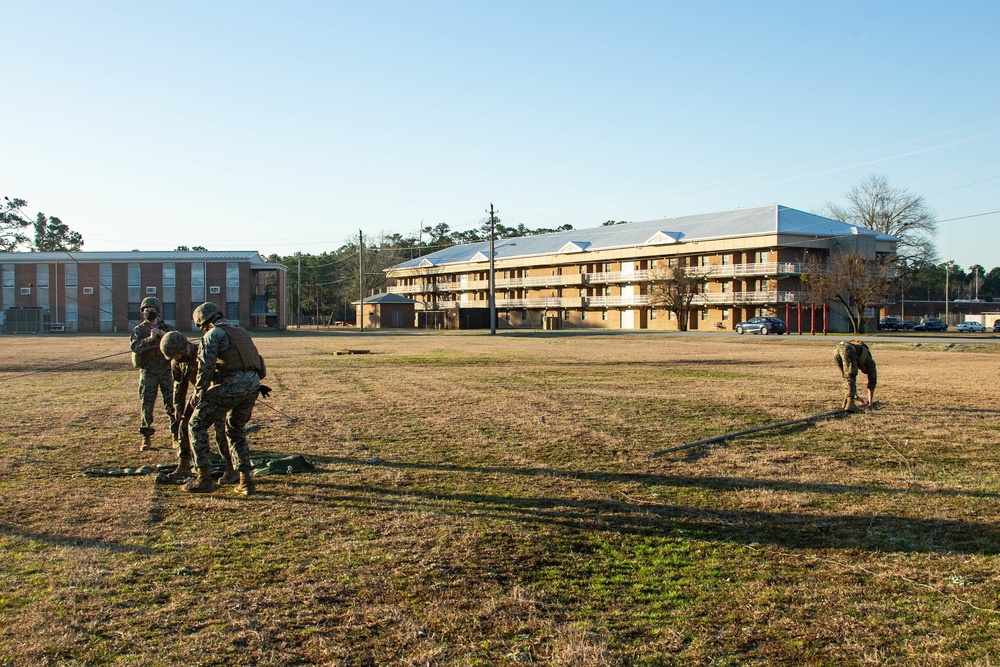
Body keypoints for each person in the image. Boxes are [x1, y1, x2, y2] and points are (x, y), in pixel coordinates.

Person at [182, 302, 265, 496]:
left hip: (231, 387)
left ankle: (203, 478)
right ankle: (245, 481)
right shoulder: (241, 331)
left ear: (202, 323)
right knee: (235, 430)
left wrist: (199, 392)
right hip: (253, 385)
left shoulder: (213, 335)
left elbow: (205, 367)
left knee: (196, 424)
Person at [158, 331, 235, 485]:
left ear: (185, 347)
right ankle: (184, 465)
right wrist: (178, 407)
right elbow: (179, 385)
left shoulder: (205, 353)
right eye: (174, 357)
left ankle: (231, 467)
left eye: (178, 355)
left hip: (217, 393)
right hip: (199, 394)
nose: (177, 359)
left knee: (222, 430)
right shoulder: (176, 362)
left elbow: (219, 376)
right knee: (185, 423)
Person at [129, 296, 175, 451]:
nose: (149, 312)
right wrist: (150, 339)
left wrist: (164, 337)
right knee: (147, 404)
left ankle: (176, 435)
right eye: (146, 310)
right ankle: (146, 438)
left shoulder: (168, 328)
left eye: (152, 310)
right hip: (148, 371)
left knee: (172, 403)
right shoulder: (139, 330)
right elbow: (135, 347)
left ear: (158, 312)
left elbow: (177, 343)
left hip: (166, 370)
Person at [834, 340, 877, 413]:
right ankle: (850, 404)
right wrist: (870, 402)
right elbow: (872, 381)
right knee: (850, 375)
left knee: (846, 377)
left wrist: (856, 396)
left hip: (837, 348)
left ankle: (846, 402)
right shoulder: (870, 363)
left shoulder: (861, 354)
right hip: (848, 349)